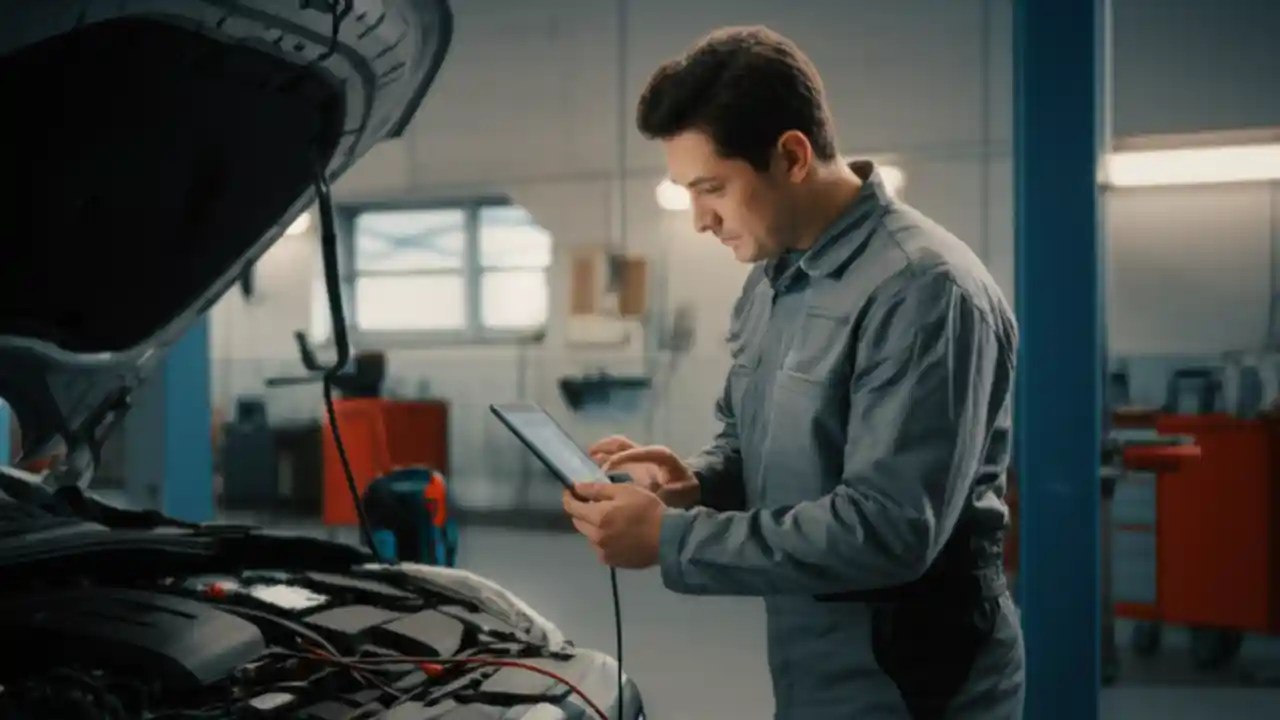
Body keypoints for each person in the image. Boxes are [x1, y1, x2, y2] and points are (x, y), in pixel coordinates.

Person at [560, 25, 1025, 720]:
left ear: (791, 155)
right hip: (816, 659)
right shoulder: (777, 277)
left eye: (710, 188)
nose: (699, 220)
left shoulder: (922, 289)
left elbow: (890, 530)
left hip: (915, 678)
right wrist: (695, 485)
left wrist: (671, 539)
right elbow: (757, 447)